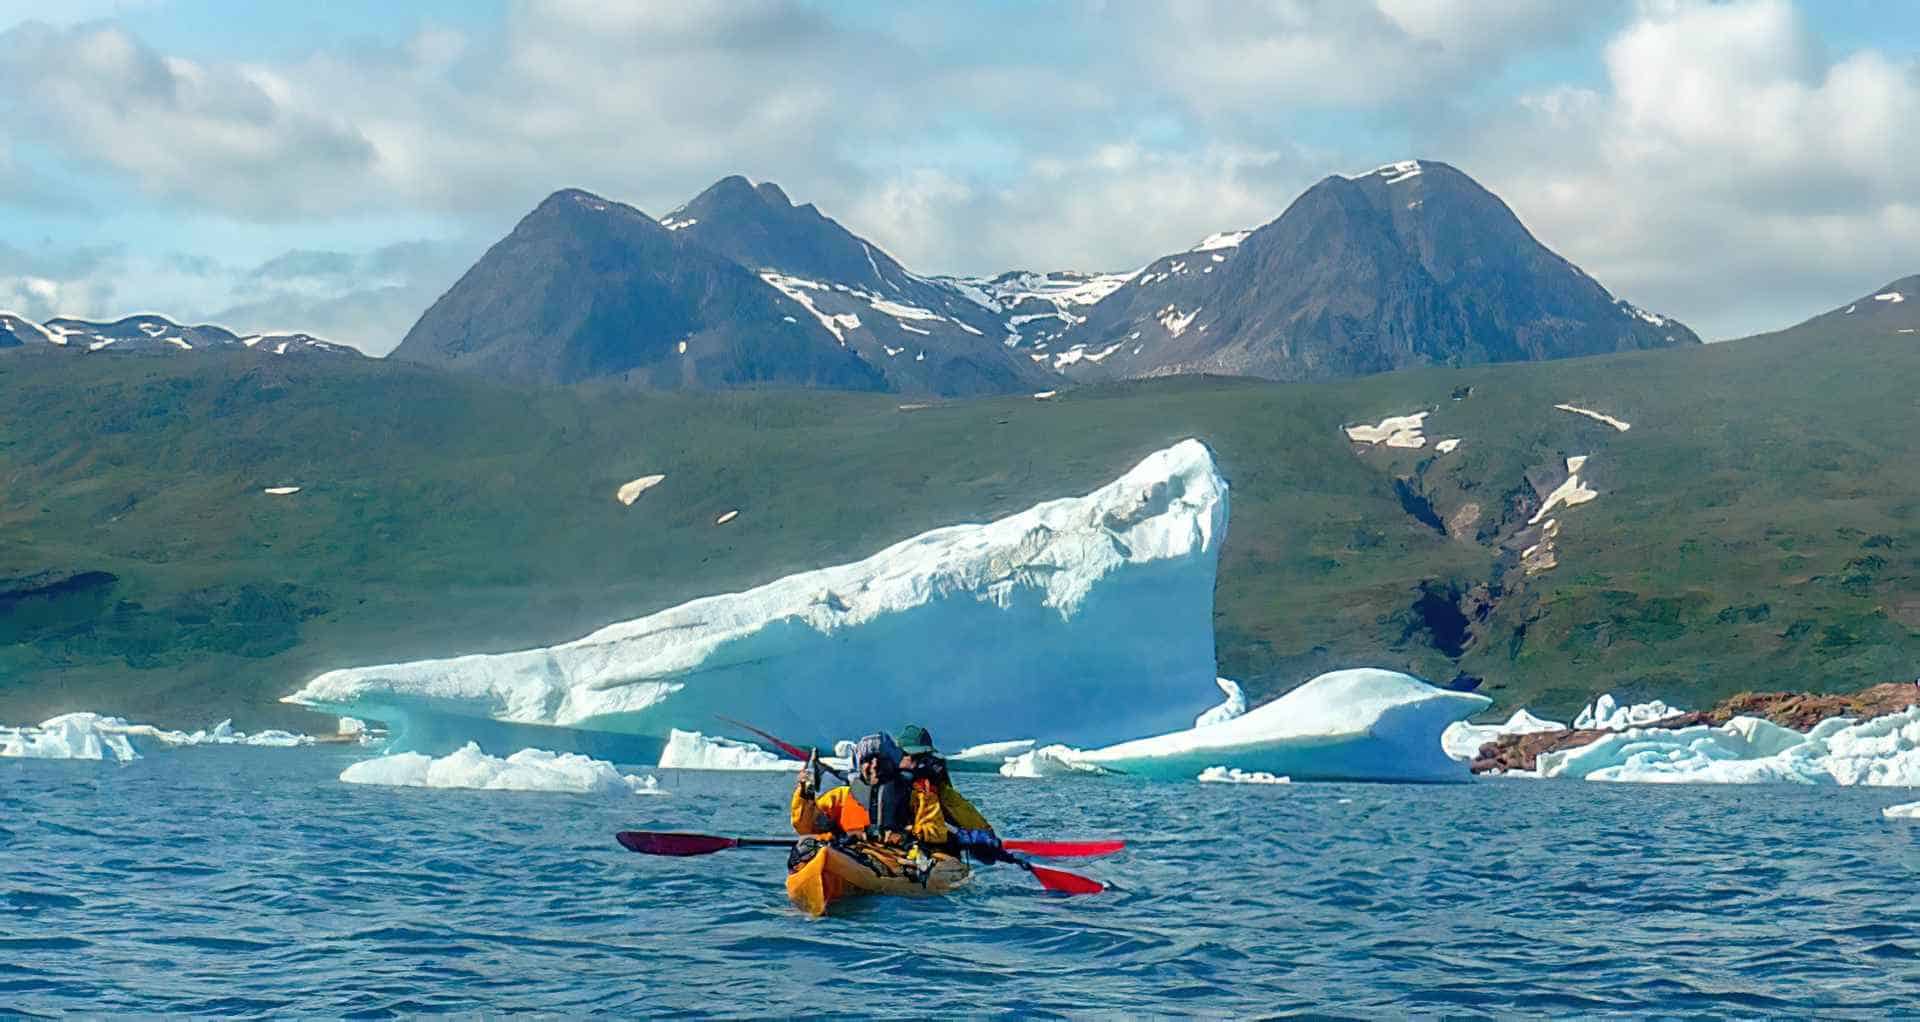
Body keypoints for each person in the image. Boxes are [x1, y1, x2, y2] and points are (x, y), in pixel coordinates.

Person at [789, 732, 946, 850]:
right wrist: (805, 795)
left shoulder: (917, 795)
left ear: (892, 762)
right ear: (859, 765)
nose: (875, 765)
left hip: (896, 857)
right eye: (867, 760)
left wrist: (906, 834)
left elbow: (936, 832)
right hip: (851, 854)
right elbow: (806, 828)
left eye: (881, 759)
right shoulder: (841, 796)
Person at [896, 724, 1006, 862]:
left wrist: (983, 835)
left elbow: (958, 813)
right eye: (908, 755)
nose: (914, 763)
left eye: (919, 757)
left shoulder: (932, 787)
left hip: (932, 849)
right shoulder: (887, 782)